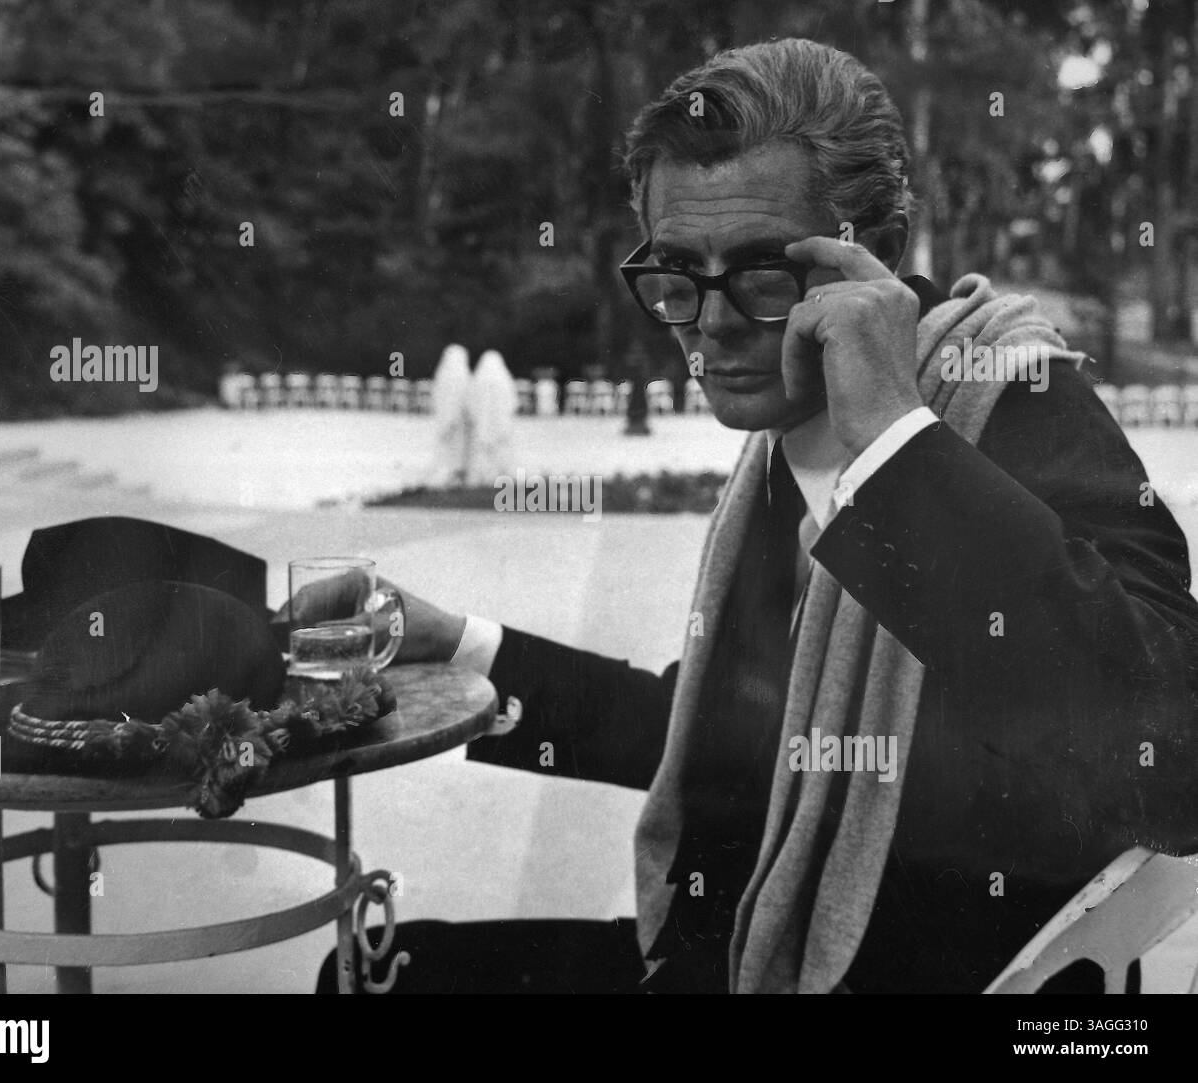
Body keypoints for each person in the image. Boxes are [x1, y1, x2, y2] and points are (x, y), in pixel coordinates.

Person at [327, 39, 1198, 993]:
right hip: (750, 940)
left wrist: (898, 449)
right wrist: (458, 646)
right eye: (677, 272)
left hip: (885, 968)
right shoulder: (783, 433)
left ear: (881, 255)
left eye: (763, 273)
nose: (712, 323)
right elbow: (743, 736)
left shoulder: (1010, 401)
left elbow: (1173, 762)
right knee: (367, 971)